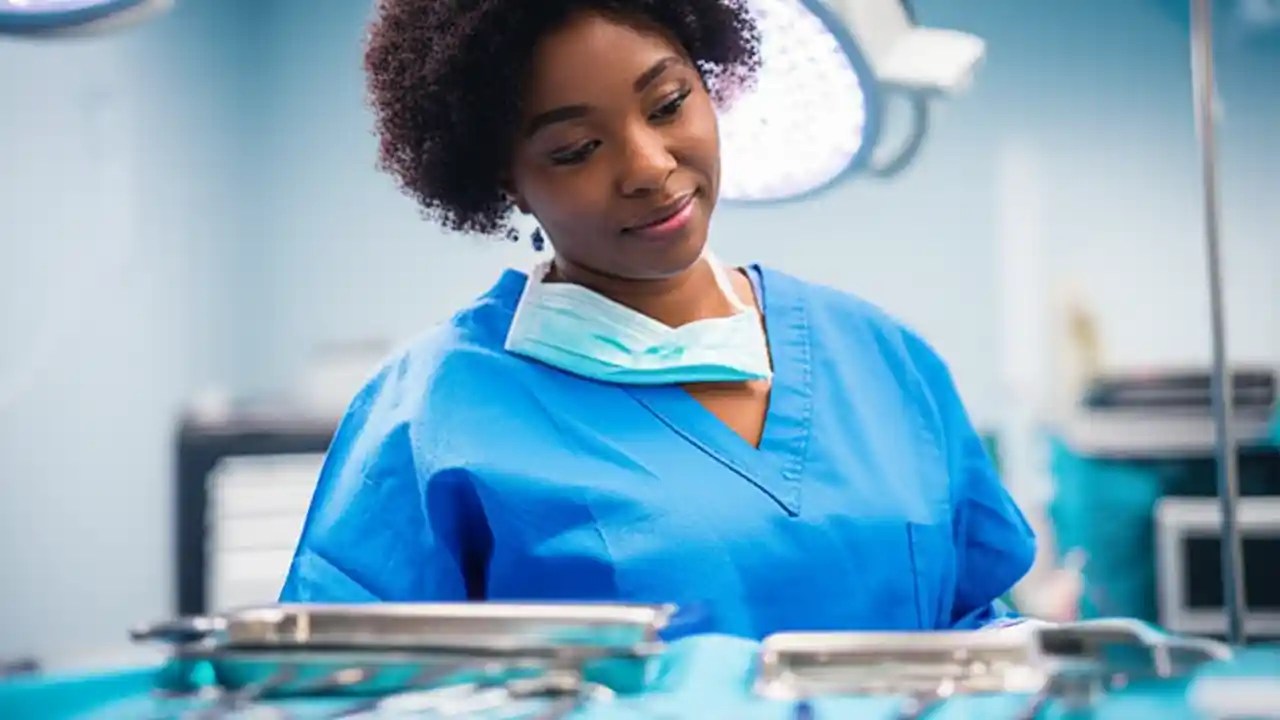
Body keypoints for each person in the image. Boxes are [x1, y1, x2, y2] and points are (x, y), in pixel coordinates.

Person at [279, 0, 1036, 641]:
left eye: (669, 104)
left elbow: (976, 631)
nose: (647, 166)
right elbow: (345, 685)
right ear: (506, 178)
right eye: (577, 149)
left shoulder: (880, 358)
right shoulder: (435, 415)